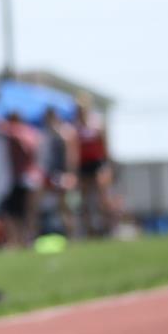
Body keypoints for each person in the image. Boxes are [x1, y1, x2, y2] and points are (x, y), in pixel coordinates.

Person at [0, 111, 44, 247]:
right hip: (32, 178)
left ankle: (19, 240)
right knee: (27, 212)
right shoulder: (31, 131)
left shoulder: (17, 131)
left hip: (25, 178)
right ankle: (27, 240)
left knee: (13, 211)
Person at [72, 98, 116, 238]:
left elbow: (105, 146)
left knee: (102, 197)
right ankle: (89, 230)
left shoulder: (96, 125)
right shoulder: (74, 128)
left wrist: (107, 165)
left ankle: (109, 227)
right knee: (84, 200)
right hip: (83, 166)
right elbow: (73, 151)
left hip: (97, 164)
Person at [41, 108, 81, 238]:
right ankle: (68, 234)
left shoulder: (64, 133)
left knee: (67, 206)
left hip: (64, 175)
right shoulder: (50, 134)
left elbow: (71, 157)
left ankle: (72, 234)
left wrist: (70, 174)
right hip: (55, 175)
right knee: (61, 206)